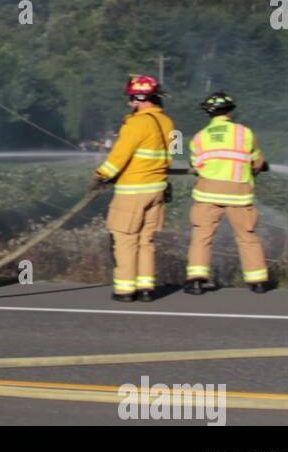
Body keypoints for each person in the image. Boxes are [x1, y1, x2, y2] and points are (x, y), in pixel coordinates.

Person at [90, 75, 176, 302]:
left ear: (137, 97)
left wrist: (101, 175)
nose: (129, 102)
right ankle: (147, 288)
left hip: (133, 191)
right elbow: (172, 155)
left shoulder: (136, 123)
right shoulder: (168, 123)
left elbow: (120, 154)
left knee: (125, 239)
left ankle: (126, 290)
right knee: (146, 240)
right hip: (157, 190)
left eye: (130, 98)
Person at [185, 92, 270, 294]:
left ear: (208, 113)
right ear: (230, 110)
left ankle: (196, 280)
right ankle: (257, 282)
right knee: (247, 236)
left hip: (207, 194)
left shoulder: (199, 137)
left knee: (201, 237)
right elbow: (257, 162)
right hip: (239, 194)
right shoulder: (244, 133)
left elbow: (196, 164)